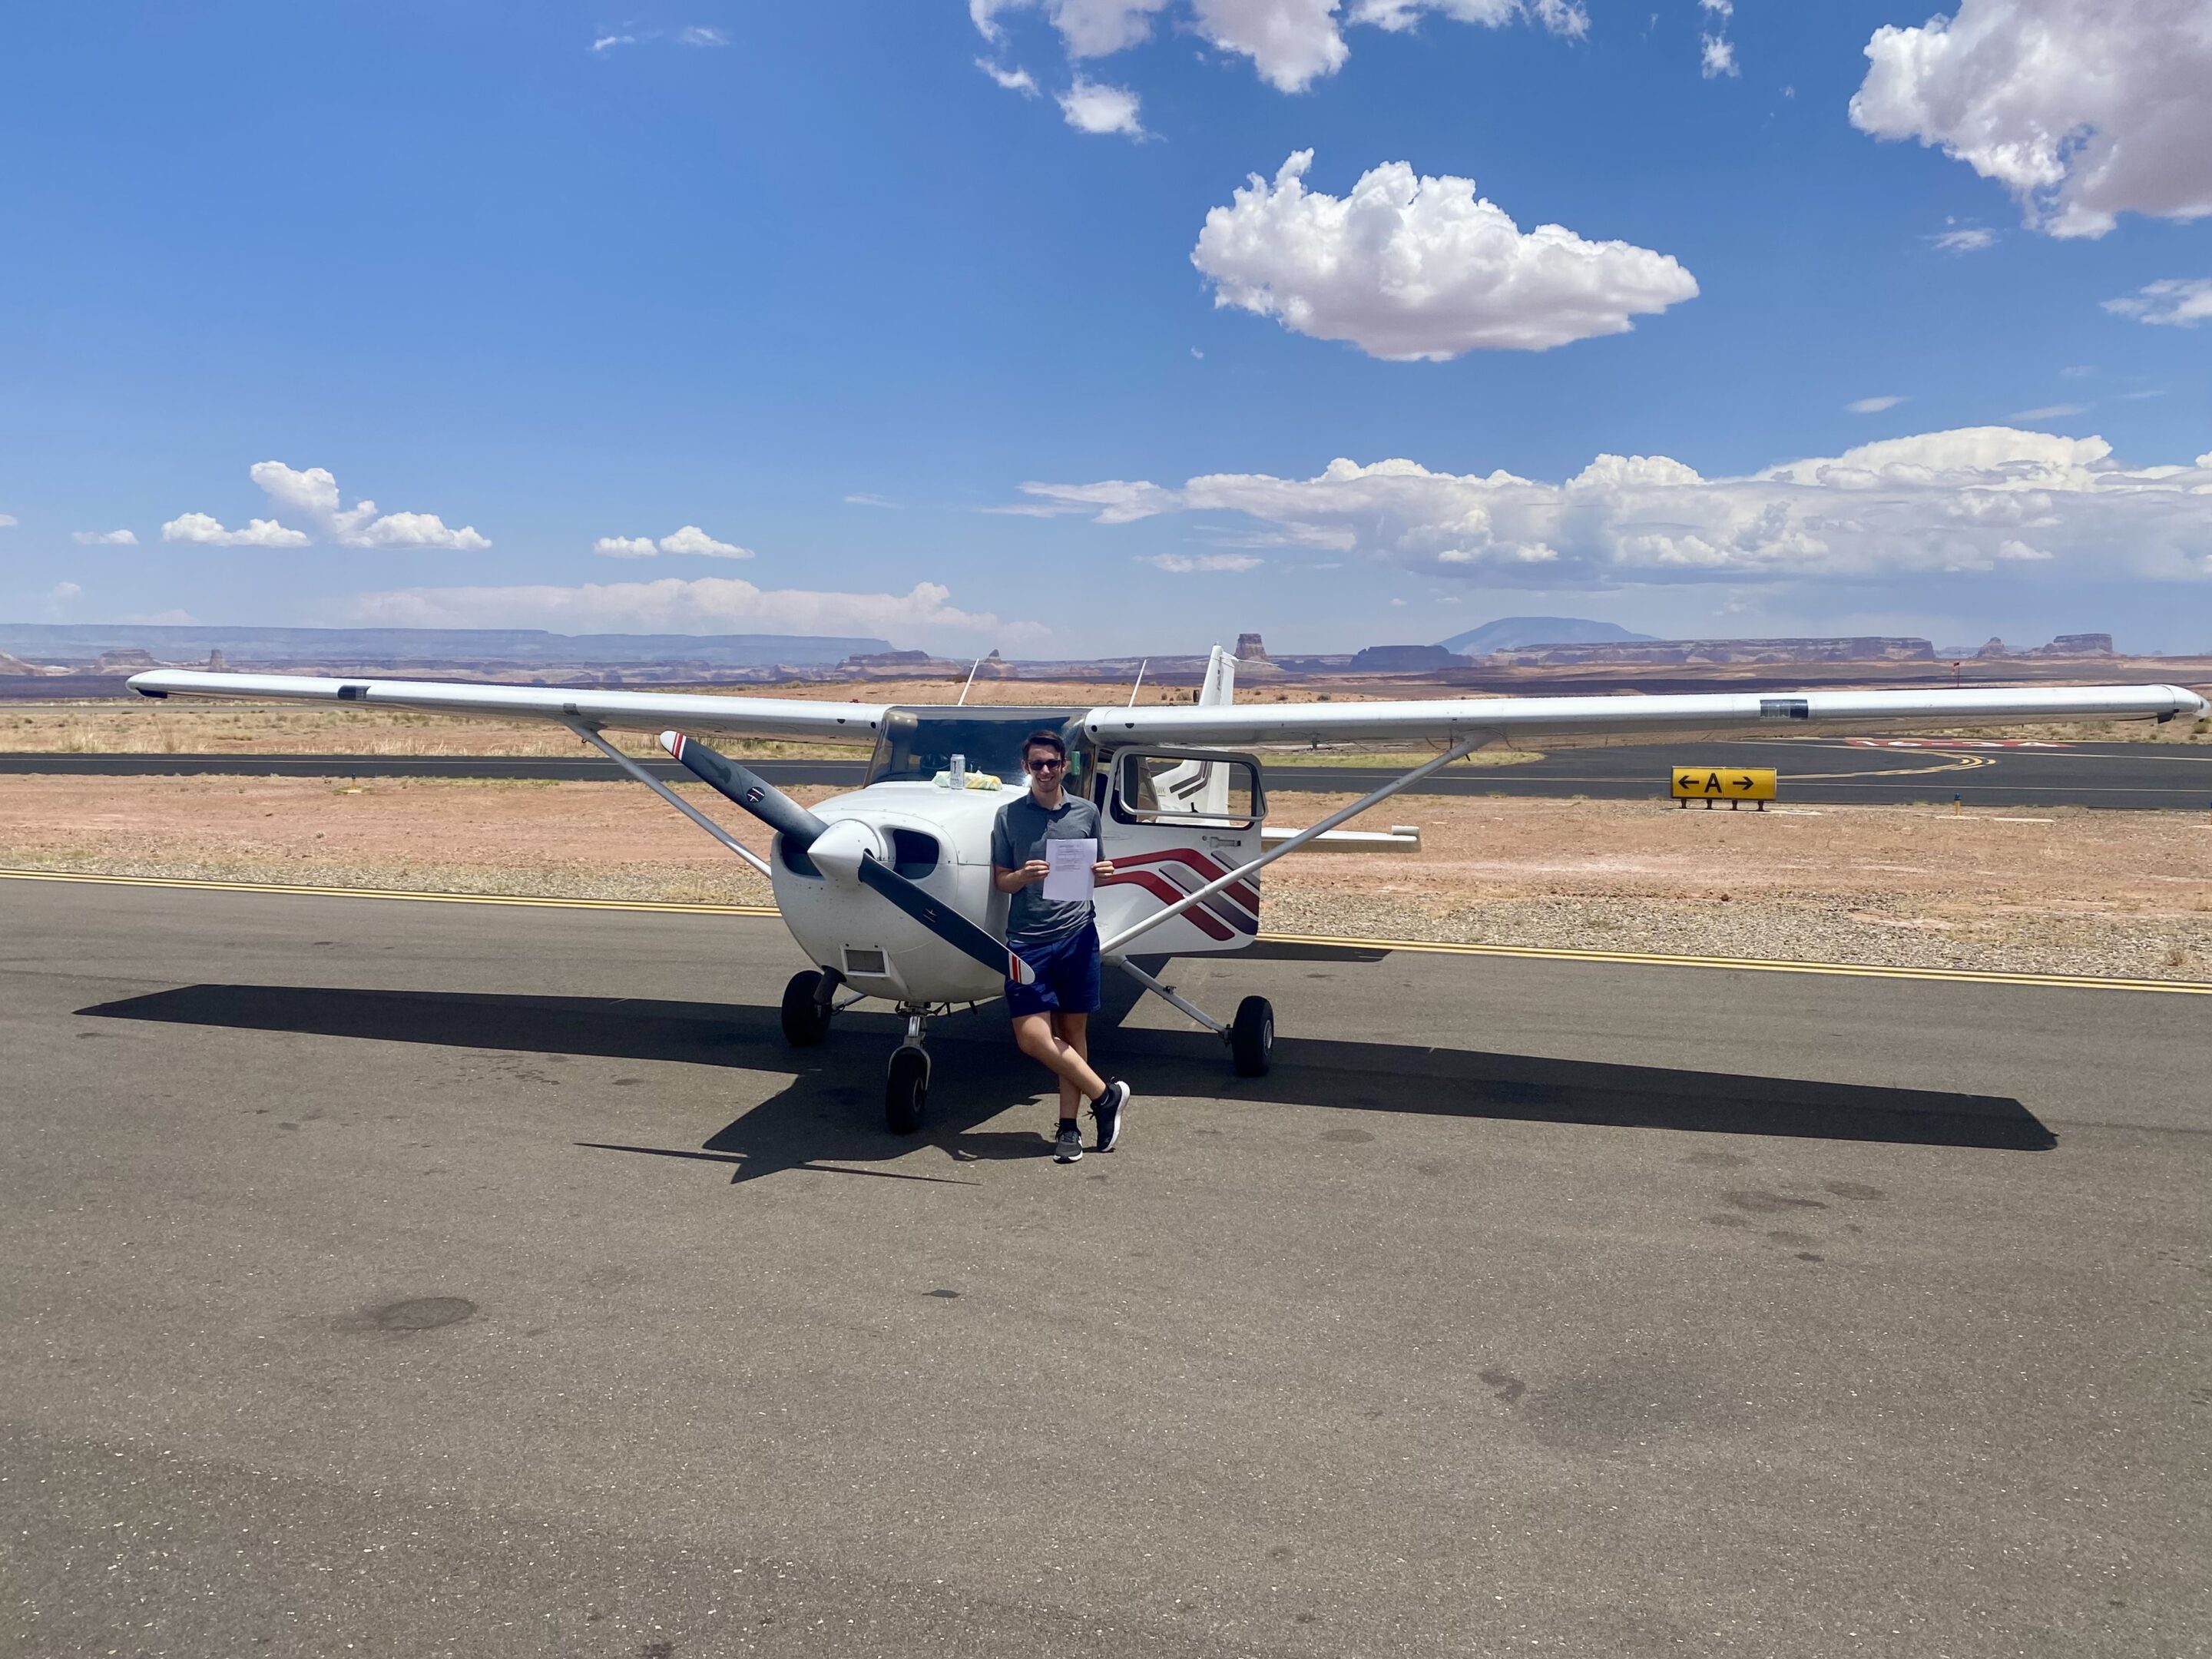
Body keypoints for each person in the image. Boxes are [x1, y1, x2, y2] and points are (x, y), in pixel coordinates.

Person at [991, 728, 1132, 1164]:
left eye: (1053, 763)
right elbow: (1001, 880)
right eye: (1037, 764)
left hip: (1076, 935)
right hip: (1027, 940)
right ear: (1026, 768)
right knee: (1031, 1037)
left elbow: (1096, 869)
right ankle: (1105, 1095)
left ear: (1065, 766)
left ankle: (1069, 1127)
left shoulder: (1086, 812)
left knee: (1073, 1033)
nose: (1046, 770)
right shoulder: (1008, 816)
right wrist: (1022, 877)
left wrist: (1104, 872)